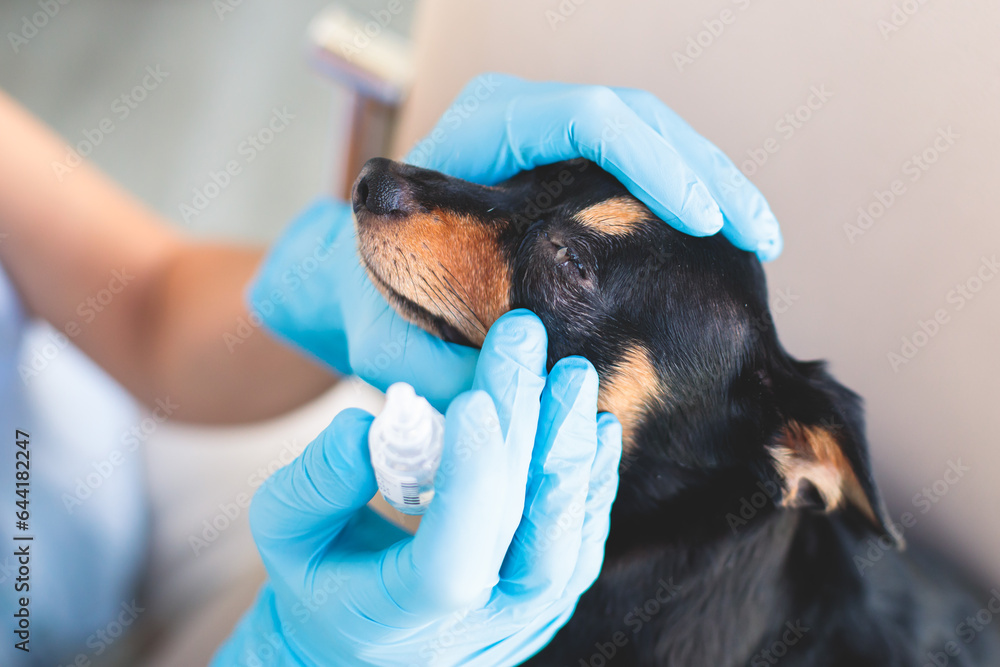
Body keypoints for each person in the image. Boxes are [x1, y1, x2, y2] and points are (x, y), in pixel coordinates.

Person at [0, 75, 781, 665]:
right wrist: (287, 653)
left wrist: (320, 291)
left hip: (110, 485)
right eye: (571, 262)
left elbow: (143, 310)